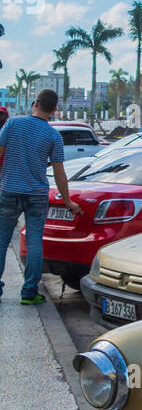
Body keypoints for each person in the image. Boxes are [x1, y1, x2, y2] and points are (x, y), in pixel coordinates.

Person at [0, 89, 82, 305]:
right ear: (54, 110)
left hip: (8, 190)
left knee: (1, 241)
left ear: (35, 103)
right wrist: (67, 202)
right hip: (36, 194)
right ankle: (28, 293)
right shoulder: (53, 135)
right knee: (35, 241)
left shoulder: (12, 124)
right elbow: (59, 174)